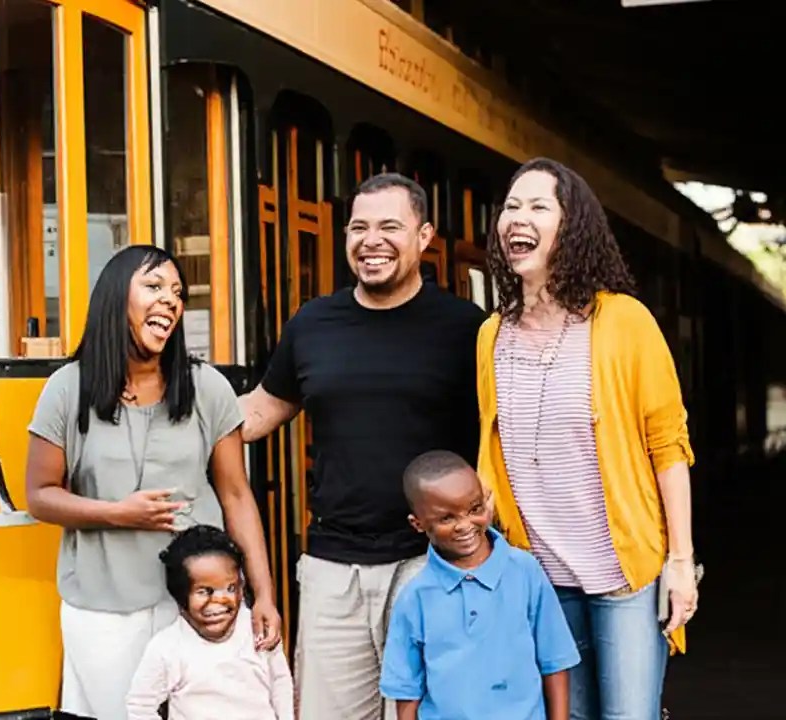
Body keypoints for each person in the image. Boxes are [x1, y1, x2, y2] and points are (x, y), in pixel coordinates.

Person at [239, 172, 486, 719]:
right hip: (334, 566)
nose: (371, 240)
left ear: (424, 237)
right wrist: (162, 410)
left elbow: (503, 434)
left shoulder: (467, 328)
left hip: (435, 562)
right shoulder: (313, 322)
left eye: (389, 227)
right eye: (358, 227)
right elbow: (257, 411)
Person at [476, 156, 699, 719]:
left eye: (537, 206)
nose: (516, 218)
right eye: (510, 206)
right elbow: (492, 455)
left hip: (623, 573)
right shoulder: (490, 336)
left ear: (571, 228)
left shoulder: (624, 323)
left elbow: (668, 448)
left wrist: (680, 561)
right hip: (542, 577)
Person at [26, 245, 281, 720]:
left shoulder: (206, 387)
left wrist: (262, 593)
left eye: (178, 293)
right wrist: (117, 514)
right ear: (114, 297)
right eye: (154, 286)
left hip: (195, 603)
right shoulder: (66, 389)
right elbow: (40, 495)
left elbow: (236, 496)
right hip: (103, 610)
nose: (170, 301)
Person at [380, 450, 580, 720]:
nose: (465, 525)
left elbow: (555, 661)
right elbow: (406, 691)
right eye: (446, 518)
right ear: (418, 524)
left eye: (474, 509)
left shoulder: (525, 572)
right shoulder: (414, 598)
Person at [125, 525, 294, 720]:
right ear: (180, 598)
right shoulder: (167, 647)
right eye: (205, 591)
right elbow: (140, 706)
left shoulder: (258, 630)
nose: (220, 600)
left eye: (230, 588)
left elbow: (280, 681)